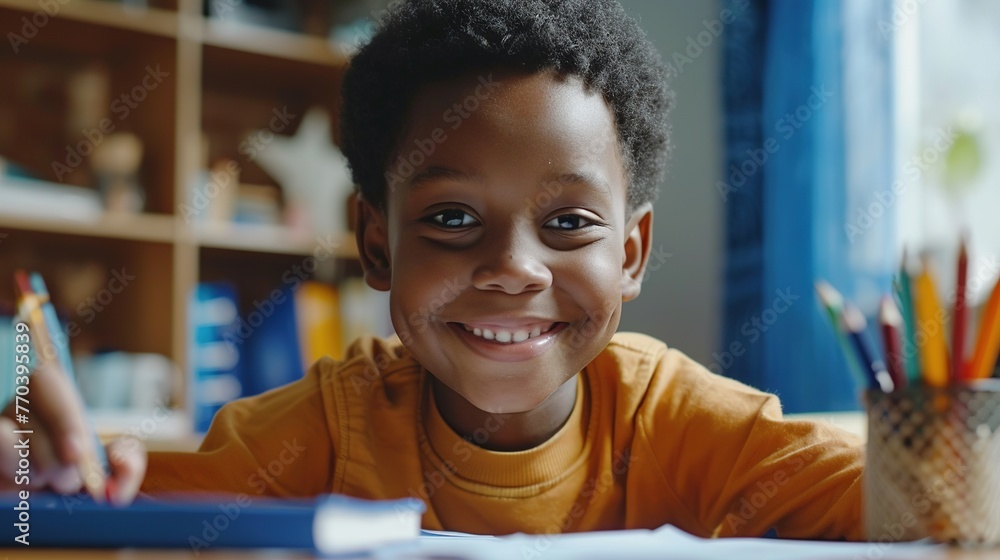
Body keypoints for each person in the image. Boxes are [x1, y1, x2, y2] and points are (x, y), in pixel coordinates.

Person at [16, 0, 865, 540]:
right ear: (378, 246)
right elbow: (76, 517)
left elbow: (924, 508)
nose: (512, 269)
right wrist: (28, 471)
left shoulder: (682, 425)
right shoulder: (312, 438)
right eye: (452, 219)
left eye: (568, 222)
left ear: (631, 253)